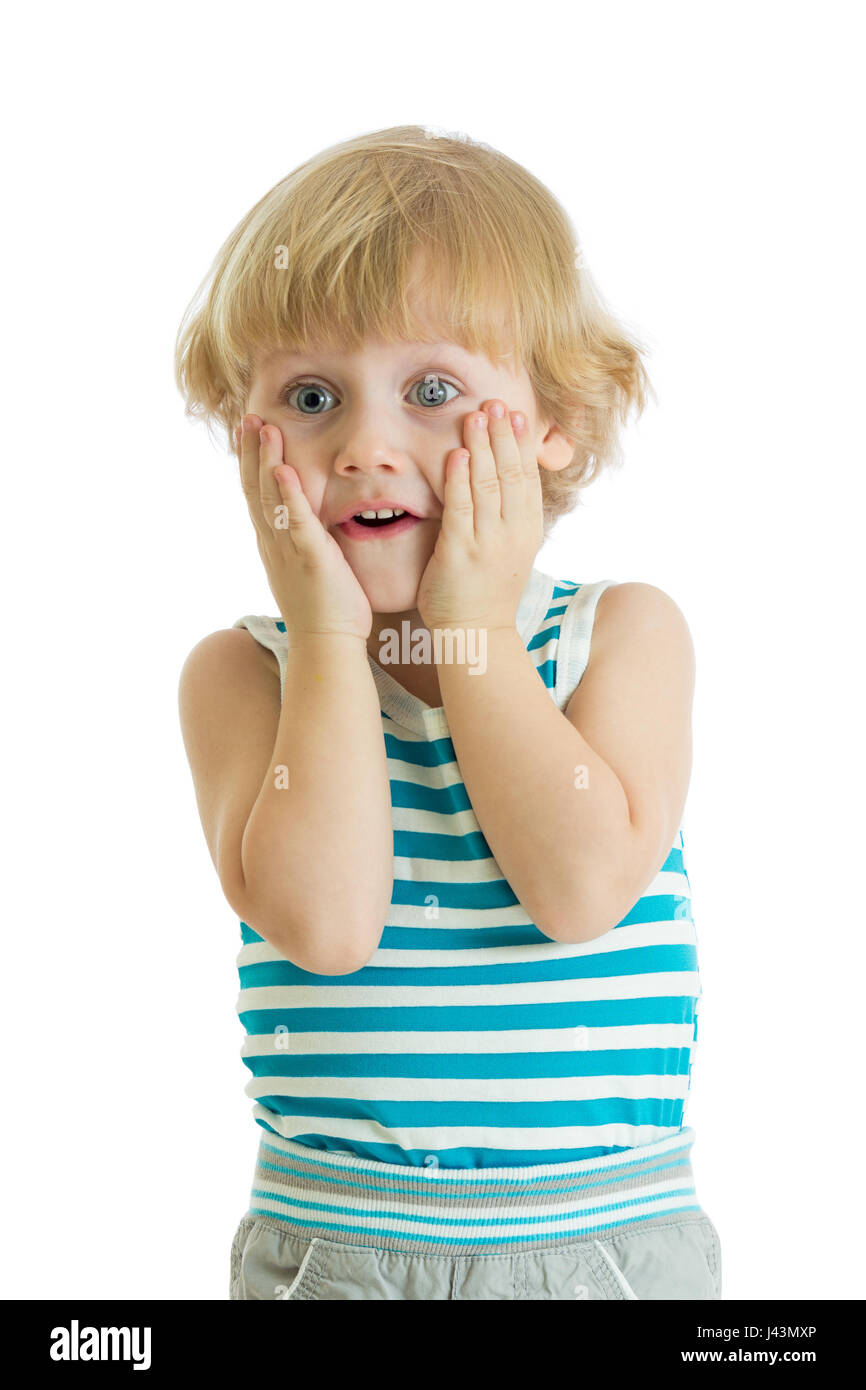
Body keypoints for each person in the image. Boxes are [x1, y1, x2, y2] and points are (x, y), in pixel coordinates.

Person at [175, 124, 721, 1300]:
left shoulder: (617, 636)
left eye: (432, 393)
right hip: (333, 1249)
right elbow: (327, 927)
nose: (365, 447)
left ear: (551, 420)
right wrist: (325, 634)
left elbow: (577, 891)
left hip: (600, 1247)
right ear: (244, 440)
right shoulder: (244, 676)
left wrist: (470, 624)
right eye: (309, 398)